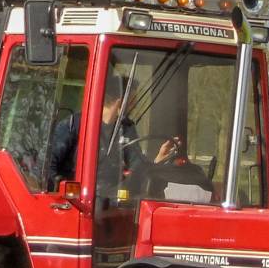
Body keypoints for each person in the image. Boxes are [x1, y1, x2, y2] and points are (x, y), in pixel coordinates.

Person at [49, 77, 177, 193]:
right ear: (119, 102)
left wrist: (157, 161)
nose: (135, 106)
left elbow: (136, 164)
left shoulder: (126, 128)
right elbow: (48, 167)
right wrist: (60, 195)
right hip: (77, 201)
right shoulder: (73, 126)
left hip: (112, 201)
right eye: (133, 102)